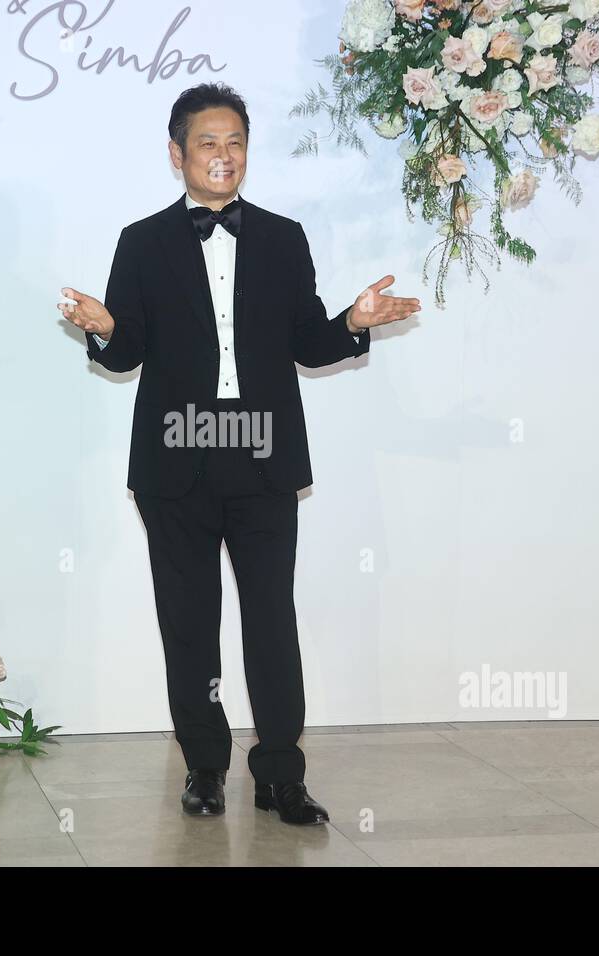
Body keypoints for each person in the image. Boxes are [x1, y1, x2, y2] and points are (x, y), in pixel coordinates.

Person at [59, 82, 419, 825]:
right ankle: (204, 768)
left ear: (246, 152)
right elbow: (126, 354)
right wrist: (101, 324)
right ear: (176, 154)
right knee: (188, 622)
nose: (223, 157)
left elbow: (308, 345)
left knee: (270, 620)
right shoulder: (142, 241)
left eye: (235, 144)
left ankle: (282, 775)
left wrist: (354, 321)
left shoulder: (284, 238)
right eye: (207, 144)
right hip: (176, 461)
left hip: (260, 457)